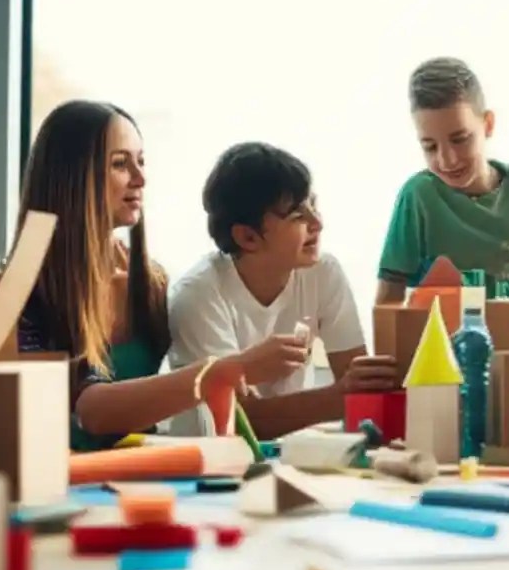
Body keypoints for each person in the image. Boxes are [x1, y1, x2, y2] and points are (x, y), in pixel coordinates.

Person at [17, 101, 303, 450]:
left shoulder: (151, 282)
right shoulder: (25, 289)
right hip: (56, 478)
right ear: (72, 176)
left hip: (139, 471)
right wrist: (226, 371)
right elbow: (92, 412)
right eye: (120, 164)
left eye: (141, 161)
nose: (140, 178)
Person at [168, 142, 400, 440]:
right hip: (209, 463)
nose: (318, 223)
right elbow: (239, 422)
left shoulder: (323, 272)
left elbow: (357, 383)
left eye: (314, 205)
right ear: (248, 237)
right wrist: (339, 397)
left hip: (287, 454)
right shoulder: (198, 296)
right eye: (298, 216)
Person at [376, 57, 509, 330]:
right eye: (429, 146)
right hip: (436, 355)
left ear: (487, 125)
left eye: (460, 139)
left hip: (504, 350)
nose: (447, 160)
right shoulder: (418, 196)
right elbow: (388, 298)